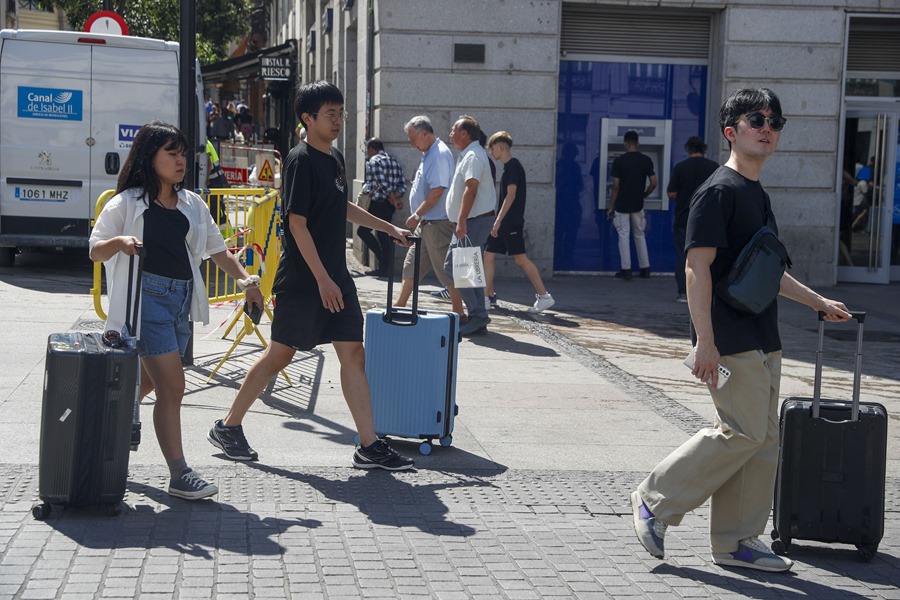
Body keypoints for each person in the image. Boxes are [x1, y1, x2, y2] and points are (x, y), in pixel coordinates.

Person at [630, 88, 851, 573]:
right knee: (743, 432)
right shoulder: (718, 191)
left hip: (763, 333)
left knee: (763, 440)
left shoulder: (757, 193)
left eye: (775, 121)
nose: (767, 127)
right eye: (757, 119)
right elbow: (696, 270)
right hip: (728, 337)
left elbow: (767, 270)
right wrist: (704, 341)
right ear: (732, 131)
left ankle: (736, 542)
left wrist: (818, 302)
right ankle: (655, 499)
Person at [207, 81, 416, 471]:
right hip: (305, 282)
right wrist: (322, 278)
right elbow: (296, 225)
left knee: (353, 353)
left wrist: (390, 229)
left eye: (341, 113)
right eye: (330, 114)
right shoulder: (300, 160)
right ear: (308, 118)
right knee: (280, 355)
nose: (338, 120)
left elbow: (342, 208)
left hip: (335, 277)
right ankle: (228, 426)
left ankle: (369, 445)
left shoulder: (333, 157)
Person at [89, 121, 265, 501]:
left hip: (180, 302)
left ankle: (108, 424)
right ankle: (179, 473)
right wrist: (119, 242)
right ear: (150, 157)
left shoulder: (192, 203)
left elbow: (219, 251)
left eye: (183, 152)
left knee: (151, 383)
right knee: (173, 387)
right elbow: (95, 250)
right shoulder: (127, 203)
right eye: (171, 152)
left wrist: (247, 282)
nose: (180, 160)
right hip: (145, 301)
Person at [394, 116, 463, 317]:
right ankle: (400, 305)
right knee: (411, 266)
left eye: (413, 138)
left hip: (437, 223)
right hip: (426, 223)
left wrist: (417, 214)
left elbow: (437, 190)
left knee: (446, 271)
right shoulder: (430, 153)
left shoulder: (439, 154)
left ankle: (460, 313)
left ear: (424, 133)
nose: (411, 143)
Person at [484, 131, 555, 314]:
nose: (491, 152)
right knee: (488, 255)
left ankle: (544, 296)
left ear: (500, 147)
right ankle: (485, 298)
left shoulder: (513, 167)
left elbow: (511, 195)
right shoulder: (509, 168)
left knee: (520, 259)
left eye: (492, 148)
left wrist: (498, 221)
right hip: (503, 223)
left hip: (509, 223)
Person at [443, 115, 496, 336]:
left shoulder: (473, 156)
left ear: (465, 133)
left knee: (455, 268)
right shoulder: (470, 154)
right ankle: (478, 316)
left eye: (454, 130)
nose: (450, 134)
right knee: (468, 270)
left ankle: (478, 314)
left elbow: (471, 188)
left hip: (473, 221)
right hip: (472, 221)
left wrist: (462, 221)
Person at [667, 136, 718, 302]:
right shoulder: (714, 167)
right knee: (707, 258)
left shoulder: (681, 168)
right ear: (703, 149)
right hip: (707, 220)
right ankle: (706, 293)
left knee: (683, 256)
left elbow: (671, 193)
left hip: (684, 219)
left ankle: (683, 292)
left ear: (688, 149)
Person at [607, 130, 656, 280]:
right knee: (639, 234)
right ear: (638, 143)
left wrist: (611, 206)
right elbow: (654, 183)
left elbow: (616, 186)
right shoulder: (646, 160)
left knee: (623, 235)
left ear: (625, 143)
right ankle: (645, 269)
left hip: (622, 204)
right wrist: (645, 194)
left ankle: (626, 269)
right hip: (638, 204)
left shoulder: (619, 161)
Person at [357, 138, 406, 277]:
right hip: (389, 205)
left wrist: (393, 199)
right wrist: (396, 198)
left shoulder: (374, 161)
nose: (368, 153)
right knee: (384, 235)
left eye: (368, 150)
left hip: (378, 203)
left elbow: (382, 183)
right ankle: (385, 267)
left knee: (363, 231)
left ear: (372, 148)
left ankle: (383, 262)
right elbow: (402, 184)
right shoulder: (394, 161)